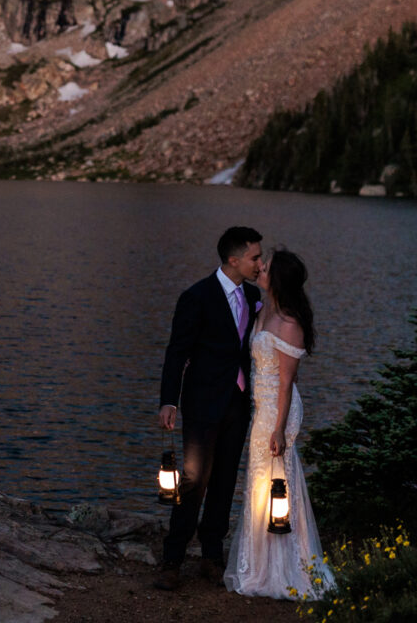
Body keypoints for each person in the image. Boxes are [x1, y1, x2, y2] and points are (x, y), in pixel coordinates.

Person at [154, 226, 264, 590]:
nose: (259, 263)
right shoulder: (196, 297)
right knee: (193, 480)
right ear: (234, 260)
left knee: (225, 480)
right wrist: (168, 400)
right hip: (202, 404)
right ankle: (173, 558)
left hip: (238, 403)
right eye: (254, 257)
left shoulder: (253, 295)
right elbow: (177, 352)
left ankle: (212, 554)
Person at [224, 248, 336, 600]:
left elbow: (287, 383)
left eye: (266, 267)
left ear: (279, 278)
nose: (260, 269)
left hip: (278, 411)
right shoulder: (263, 308)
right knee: (258, 483)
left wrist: (278, 429)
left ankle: (284, 567)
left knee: (275, 481)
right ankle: (258, 564)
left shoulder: (290, 323)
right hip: (261, 407)